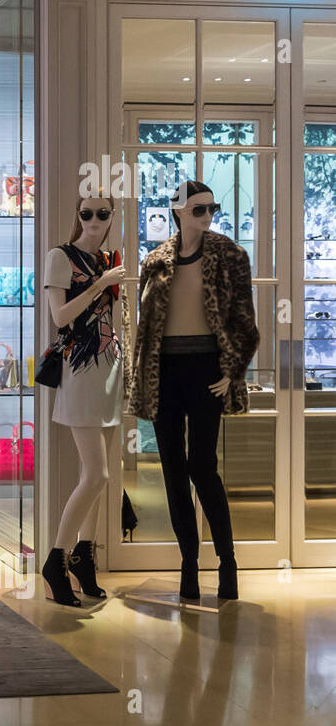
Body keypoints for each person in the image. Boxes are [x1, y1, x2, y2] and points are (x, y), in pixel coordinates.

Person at [126, 181, 259, 602]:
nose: (206, 216)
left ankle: (227, 562)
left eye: (211, 209)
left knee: (202, 466)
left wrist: (232, 370)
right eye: (198, 209)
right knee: (171, 470)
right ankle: (188, 563)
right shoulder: (156, 261)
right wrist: (139, 376)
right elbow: (145, 331)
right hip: (164, 370)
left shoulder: (231, 255)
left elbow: (246, 325)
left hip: (207, 371)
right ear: (178, 210)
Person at [41, 191, 126, 606]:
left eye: (102, 213)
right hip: (79, 371)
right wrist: (101, 284)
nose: (94, 219)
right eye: (87, 213)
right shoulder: (62, 257)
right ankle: (56, 558)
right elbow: (60, 317)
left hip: (110, 369)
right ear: (78, 216)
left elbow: (116, 319)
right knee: (97, 475)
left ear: (112, 217)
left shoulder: (110, 260)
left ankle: (84, 557)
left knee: (102, 477)